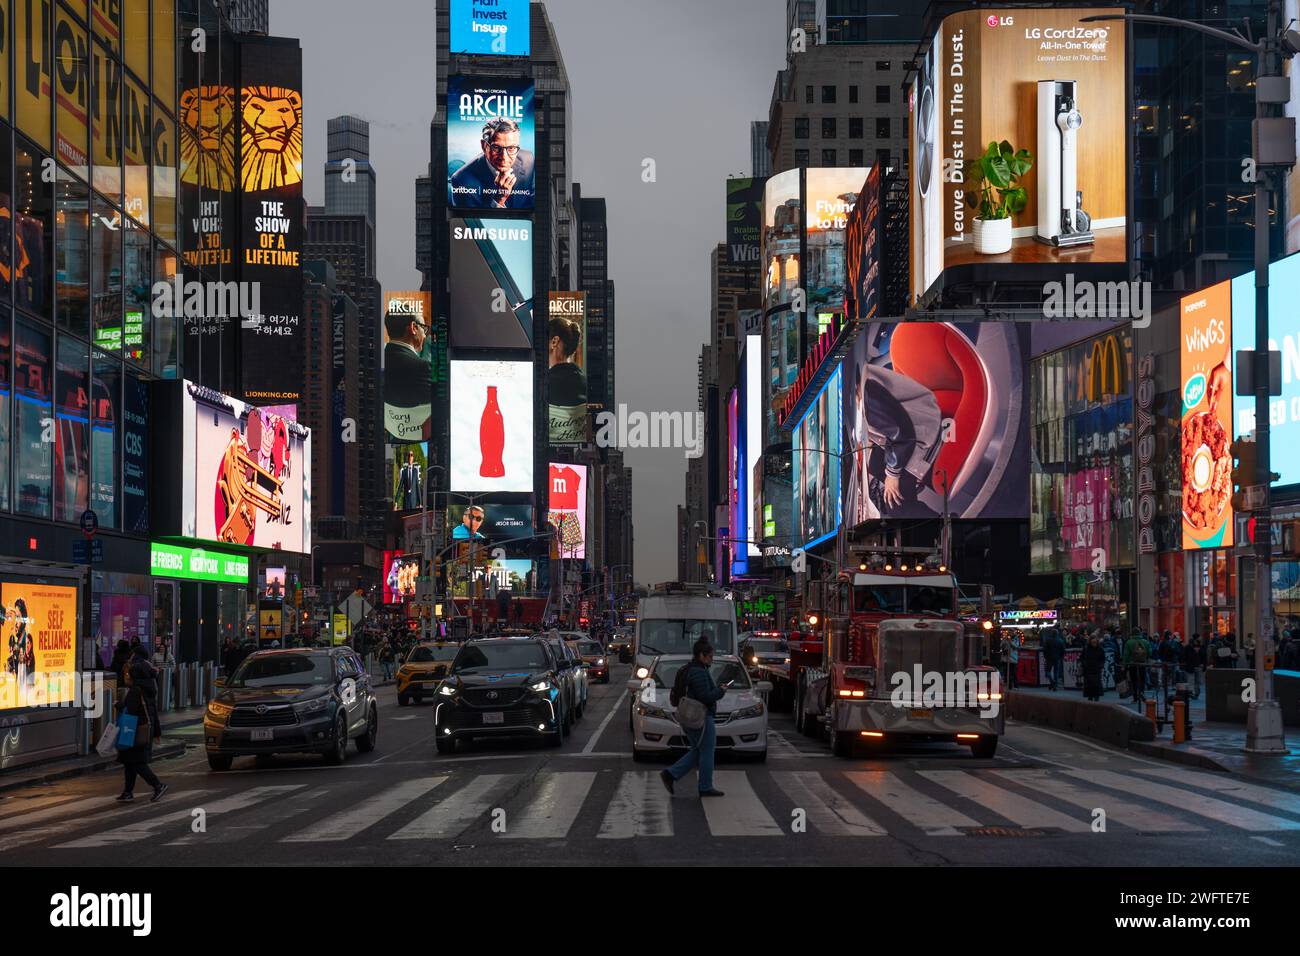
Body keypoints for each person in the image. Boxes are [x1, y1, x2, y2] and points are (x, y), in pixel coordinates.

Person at [659, 641, 729, 798]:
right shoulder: (699, 672)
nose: (712, 659)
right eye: (710, 656)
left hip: (691, 717)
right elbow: (705, 697)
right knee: (707, 751)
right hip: (700, 718)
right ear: (701, 655)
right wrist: (720, 691)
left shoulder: (692, 669)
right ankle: (704, 786)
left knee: (699, 750)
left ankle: (671, 774)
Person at [116, 646, 167, 803]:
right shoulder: (149, 687)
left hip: (134, 730)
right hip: (145, 729)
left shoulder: (136, 690)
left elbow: (130, 709)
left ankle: (158, 785)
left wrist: (118, 705)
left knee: (137, 762)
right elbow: (153, 712)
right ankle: (128, 791)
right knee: (129, 762)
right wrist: (157, 732)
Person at [449, 117, 536, 209]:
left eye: (511, 148)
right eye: (496, 148)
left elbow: (532, 205)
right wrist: (499, 200)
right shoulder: (461, 180)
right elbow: (469, 221)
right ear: (484, 146)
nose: (504, 157)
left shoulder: (528, 160)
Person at [382, 307, 432, 410]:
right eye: (424, 328)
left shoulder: (378, 362)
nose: (424, 335)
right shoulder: (424, 368)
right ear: (413, 328)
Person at [1123, 629, 1150, 704]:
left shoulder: (1129, 642)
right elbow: (1150, 652)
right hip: (1143, 664)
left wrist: (1124, 664)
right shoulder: (1145, 642)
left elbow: (1126, 655)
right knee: (1142, 680)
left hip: (1132, 664)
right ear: (1140, 633)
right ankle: (1142, 694)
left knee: (1134, 681)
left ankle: (1135, 698)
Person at [1081, 633, 1106, 701]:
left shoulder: (1100, 649)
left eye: (1095, 641)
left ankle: (1096, 697)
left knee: (1096, 685)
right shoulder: (1086, 648)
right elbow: (1082, 658)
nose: (1094, 643)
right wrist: (1084, 664)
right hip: (1088, 669)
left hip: (1096, 669)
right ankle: (1091, 698)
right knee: (1090, 687)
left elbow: (1103, 659)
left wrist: (1100, 666)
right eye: (1093, 641)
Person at [1042, 627, 1065, 691]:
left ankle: (1052, 682)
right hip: (1057, 658)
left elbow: (1045, 650)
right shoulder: (1060, 641)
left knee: (1047, 672)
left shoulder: (1048, 640)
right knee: (1056, 672)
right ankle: (1055, 685)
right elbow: (1063, 650)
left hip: (1049, 658)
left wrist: (1045, 656)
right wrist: (1061, 657)